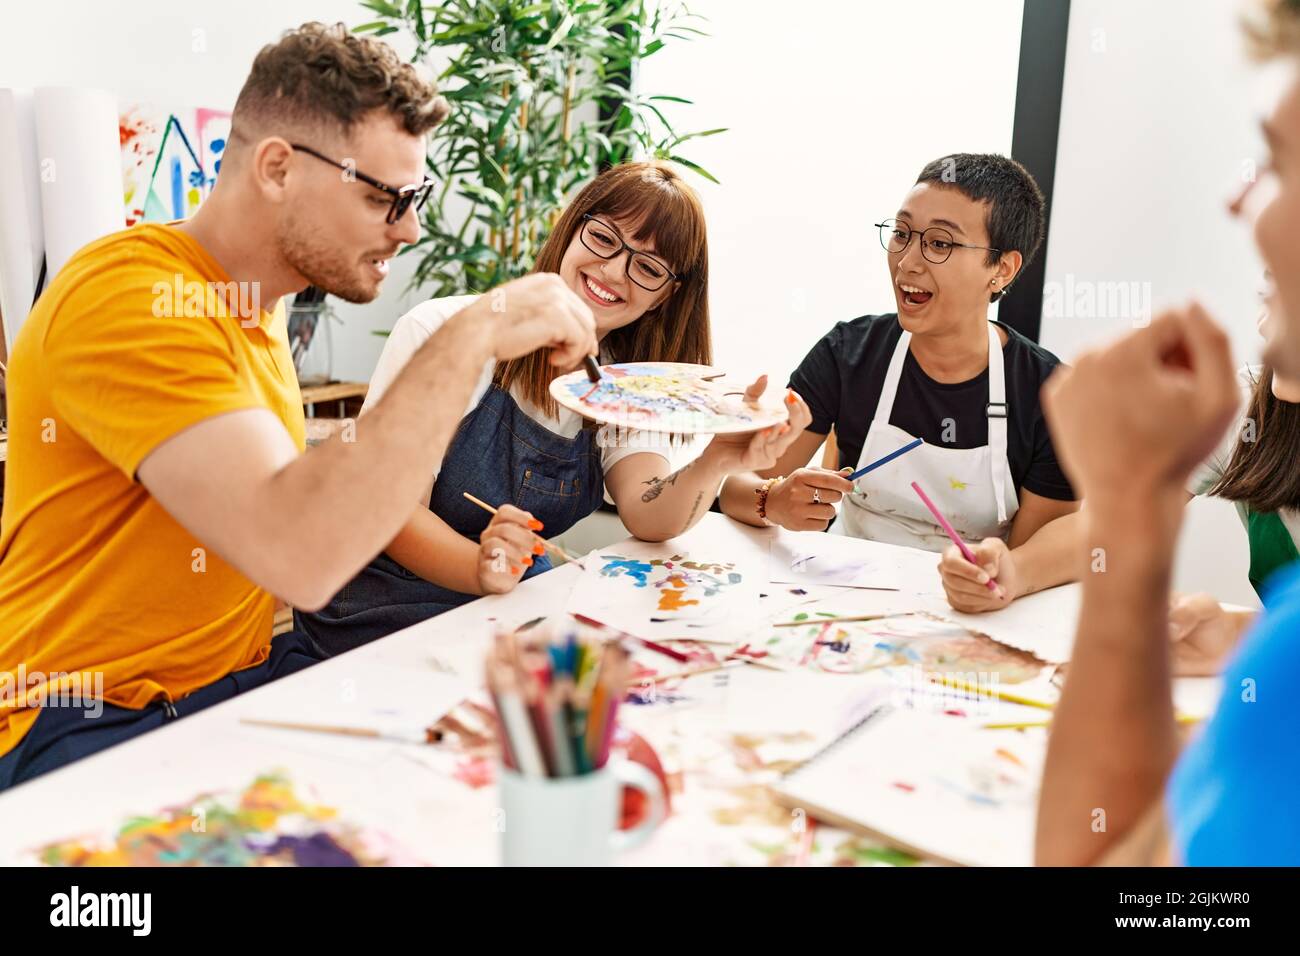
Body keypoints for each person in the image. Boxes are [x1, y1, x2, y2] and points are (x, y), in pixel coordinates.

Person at [0, 22, 601, 789]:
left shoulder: (260, 302)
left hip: (230, 685)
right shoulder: (134, 299)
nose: (411, 230)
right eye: (389, 198)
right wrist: (471, 333)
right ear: (278, 168)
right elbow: (299, 553)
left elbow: (306, 500)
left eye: (415, 199)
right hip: (81, 719)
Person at [296, 162, 812, 653]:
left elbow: (649, 513)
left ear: (665, 297)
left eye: (649, 267)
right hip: (375, 609)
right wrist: (480, 565)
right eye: (604, 239)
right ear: (570, 231)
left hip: (503, 601)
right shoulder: (444, 332)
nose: (614, 270)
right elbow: (392, 514)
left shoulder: (622, 379)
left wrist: (719, 458)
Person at [1035, 0, 1300, 866]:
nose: (1241, 201)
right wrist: (1242, 634)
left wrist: (1125, 504)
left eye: (1280, 163)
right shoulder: (1254, 419)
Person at [719, 154, 1078, 615]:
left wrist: (1007, 574)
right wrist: (772, 500)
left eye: (940, 244)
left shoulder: (1050, 396)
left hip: (970, 617)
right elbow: (733, 485)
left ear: (1001, 269)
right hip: (841, 601)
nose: (908, 262)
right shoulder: (848, 354)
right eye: (903, 234)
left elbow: (1048, 550)